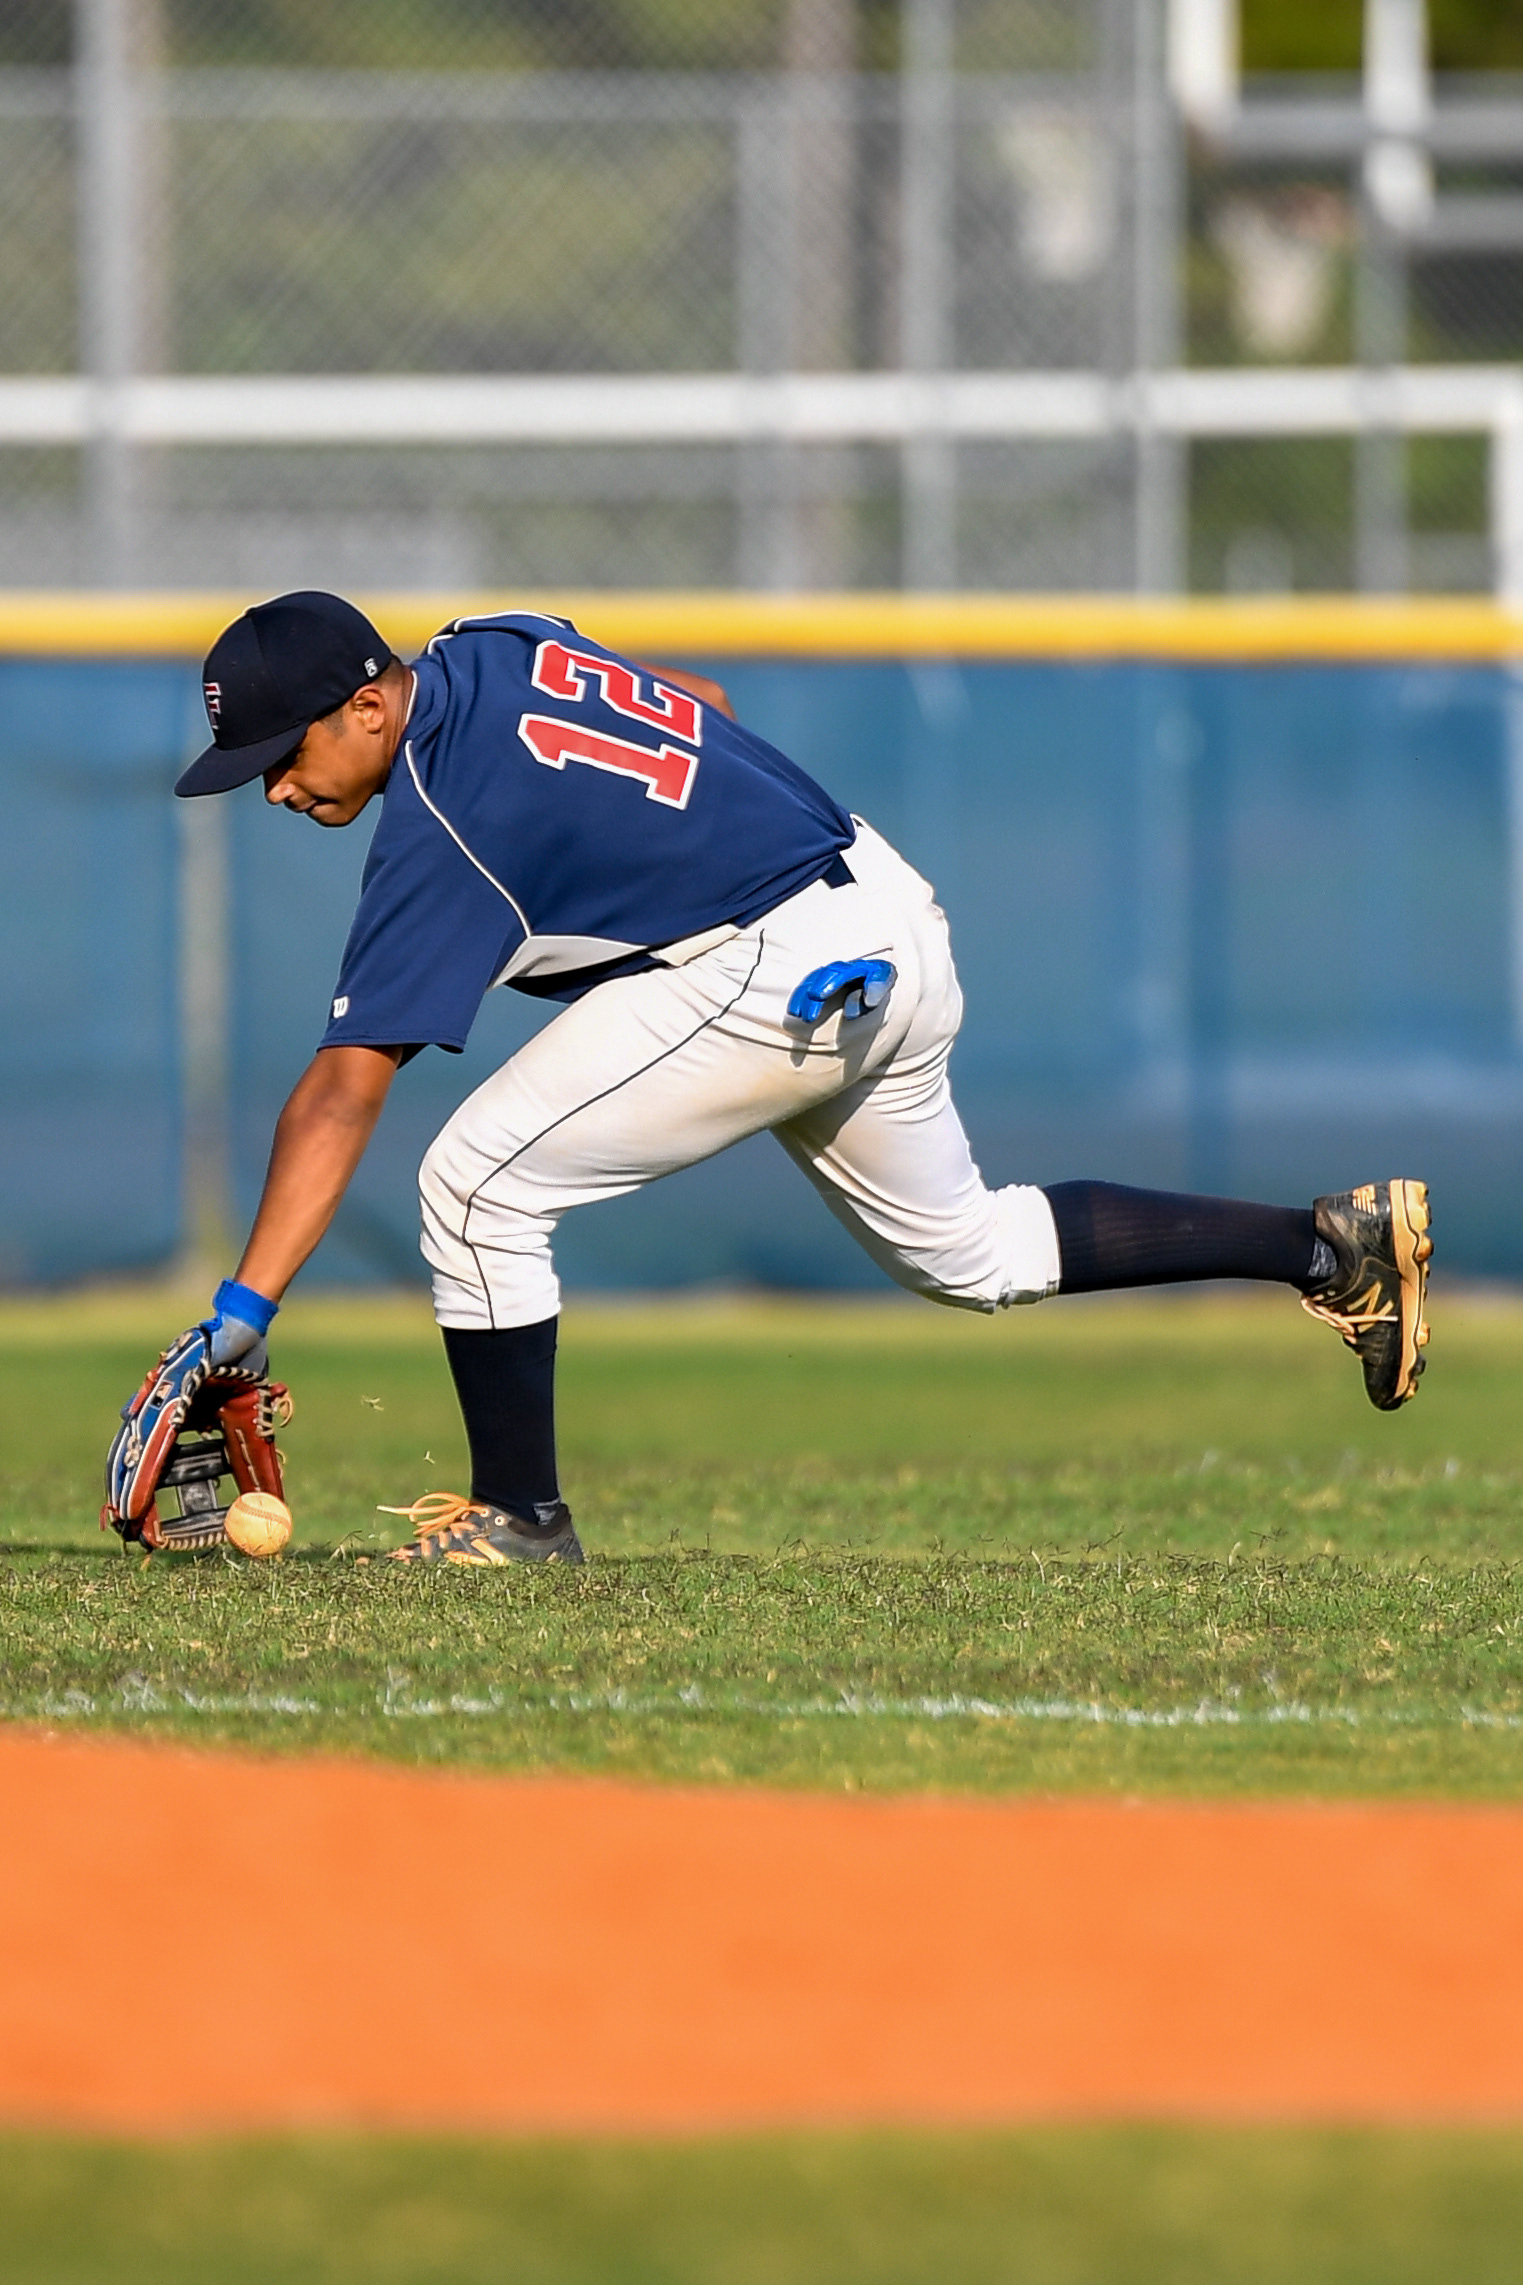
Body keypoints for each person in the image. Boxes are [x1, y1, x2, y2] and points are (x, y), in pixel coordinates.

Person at [160, 590, 1432, 1567]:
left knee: (476, 1178)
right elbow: (690, 692)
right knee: (967, 1252)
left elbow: (342, 1088)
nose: (273, 784)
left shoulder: (437, 811)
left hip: (782, 959)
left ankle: (516, 1517)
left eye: (283, 751)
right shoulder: (497, 636)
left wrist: (243, 1307)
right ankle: (1328, 1246)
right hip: (883, 905)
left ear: (369, 710)